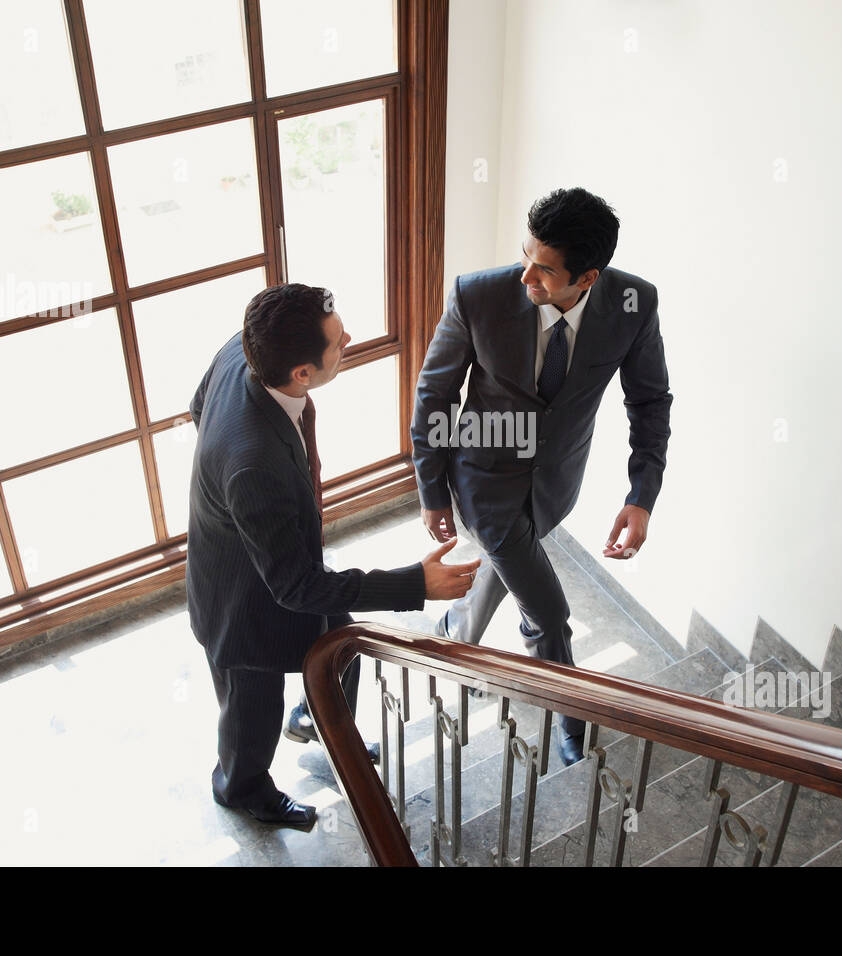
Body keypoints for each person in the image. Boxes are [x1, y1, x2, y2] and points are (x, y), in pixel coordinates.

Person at [188, 283, 479, 831]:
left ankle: (318, 719)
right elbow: (294, 588)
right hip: (240, 603)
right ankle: (241, 788)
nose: (349, 337)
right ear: (301, 372)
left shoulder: (245, 347)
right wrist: (416, 583)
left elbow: (197, 405)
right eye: (337, 341)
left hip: (285, 561)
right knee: (252, 716)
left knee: (341, 652)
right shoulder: (253, 465)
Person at [410, 187, 672, 767]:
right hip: (484, 480)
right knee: (548, 614)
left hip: (555, 486)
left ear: (589, 278)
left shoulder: (634, 303)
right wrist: (431, 489)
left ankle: (451, 637)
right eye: (524, 254)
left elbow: (650, 401)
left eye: (545, 270)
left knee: (501, 576)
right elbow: (434, 393)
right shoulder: (477, 295)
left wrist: (641, 496)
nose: (525, 276)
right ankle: (571, 717)